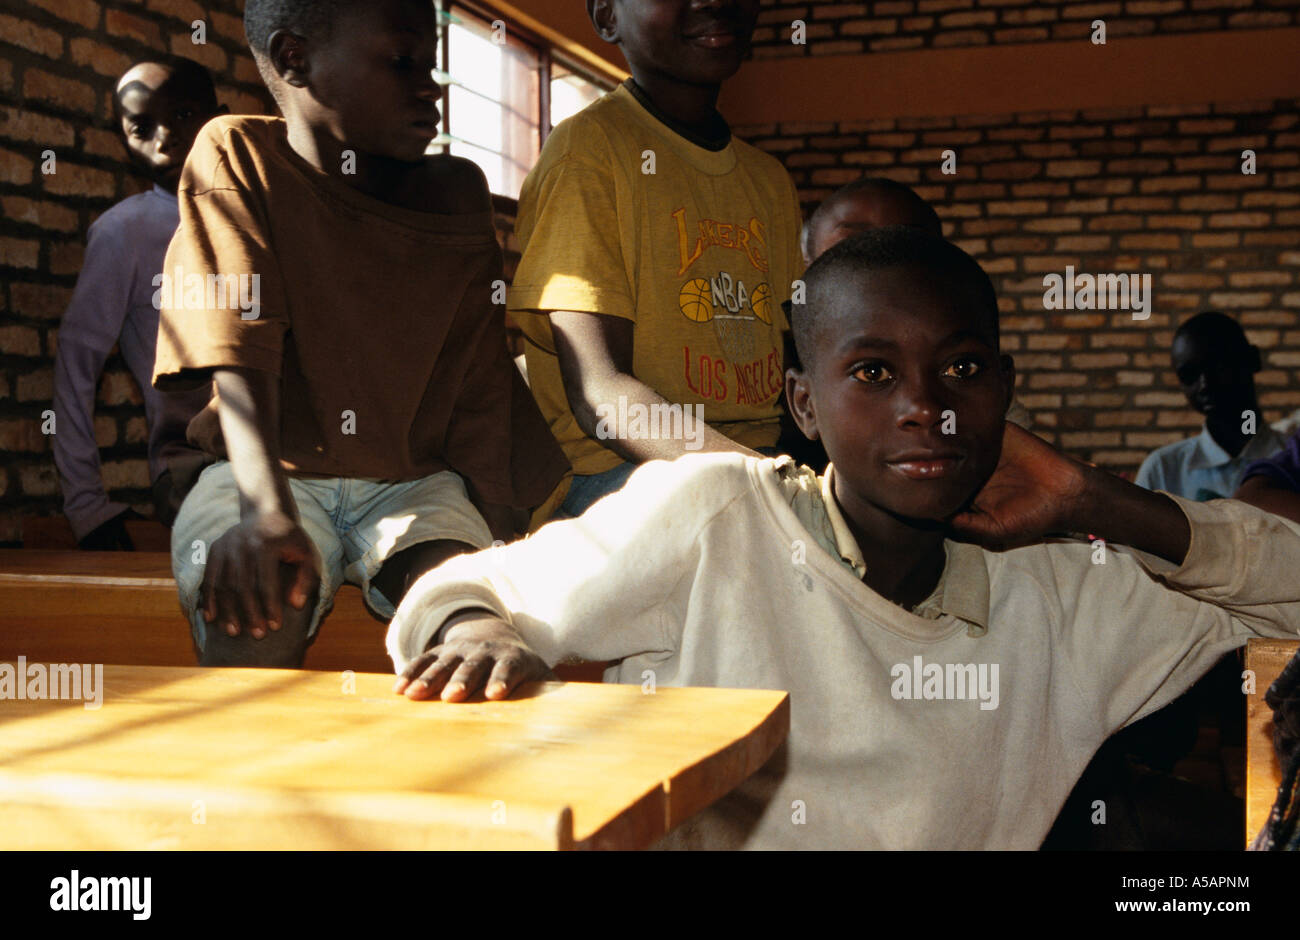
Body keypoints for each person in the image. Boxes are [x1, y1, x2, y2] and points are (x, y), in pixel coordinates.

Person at [386, 227, 1300, 850]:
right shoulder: (719, 518)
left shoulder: (1063, 588)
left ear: (1006, 390)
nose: (925, 407)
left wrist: (1091, 496)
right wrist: (478, 629)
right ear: (803, 404)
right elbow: (477, 591)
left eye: (963, 369)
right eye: (872, 371)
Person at [151, 0, 567, 667]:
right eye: (402, 62)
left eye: (431, 64)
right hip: (263, 471)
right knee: (259, 601)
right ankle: (252, 767)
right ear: (295, 59)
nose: (431, 86)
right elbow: (239, 340)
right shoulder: (238, 155)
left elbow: (480, 382)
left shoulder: (456, 193)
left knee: (469, 612)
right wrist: (264, 512)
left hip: (415, 484)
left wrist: (499, 550)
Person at [507, 0, 804, 518]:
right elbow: (601, 394)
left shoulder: (769, 181)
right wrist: (772, 487)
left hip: (756, 466)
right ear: (606, 16)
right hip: (619, 476)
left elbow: (799, 370)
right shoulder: (588, 153)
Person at [51, 57, 223, 549]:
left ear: (221, 118)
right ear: (124, 141)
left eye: (185, 115)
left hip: (289, 461)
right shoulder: (123, 233)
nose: (165, 136)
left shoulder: (260, 222)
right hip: (193, 470)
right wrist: (86, 506)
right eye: (141, 127)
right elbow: (75, 369)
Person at [1135, 311, 1286, 501]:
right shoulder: (1163, 470)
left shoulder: (1291, 460)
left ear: (1252, 359)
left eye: (1218, 366)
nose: (1205, 384)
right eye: (1189, 375)